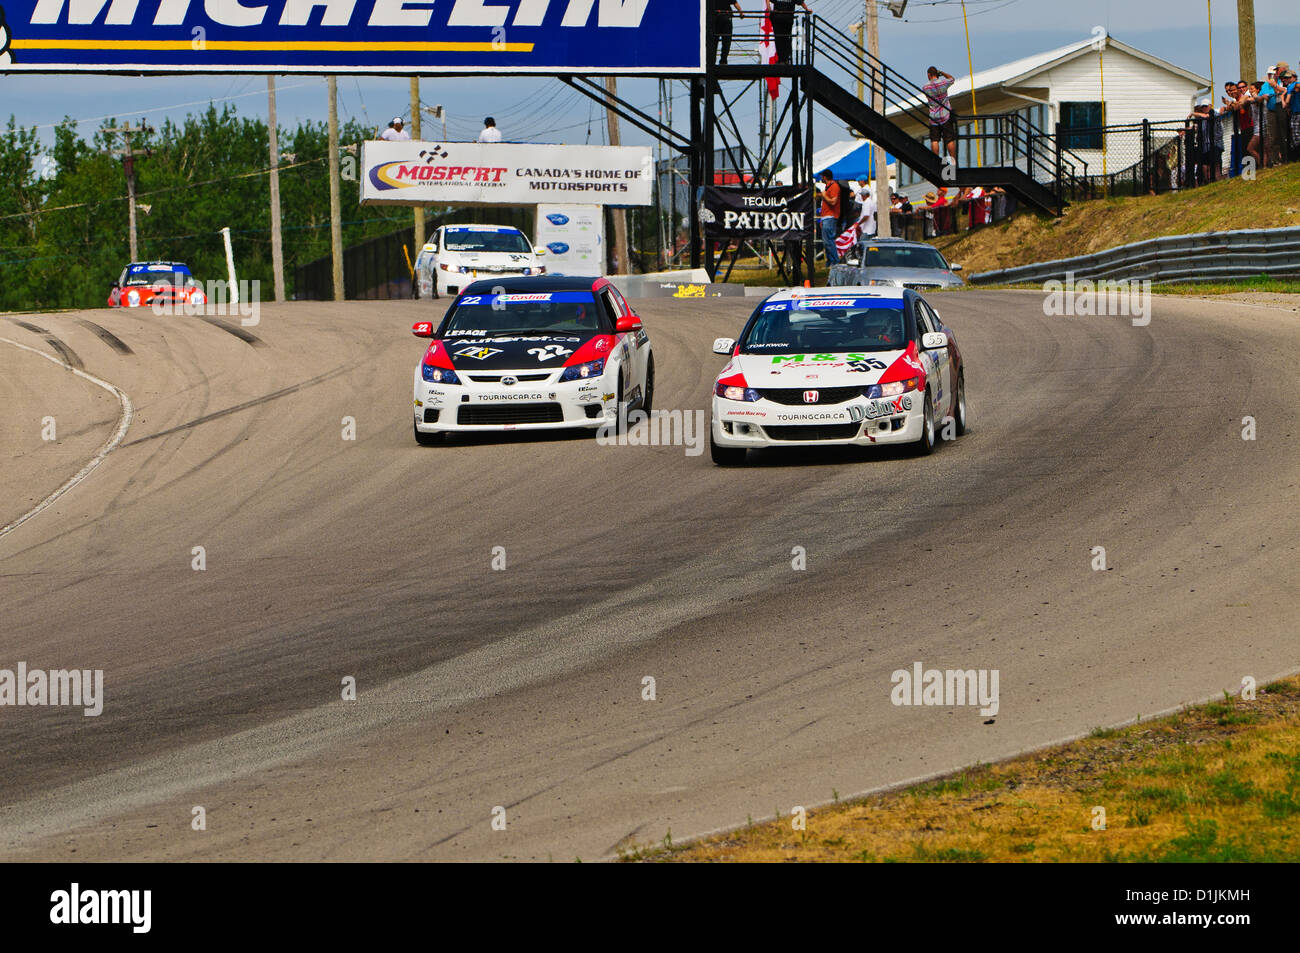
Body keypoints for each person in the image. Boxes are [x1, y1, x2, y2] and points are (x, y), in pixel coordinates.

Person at [923, 66, 958, 162]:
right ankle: (953, 161)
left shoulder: (925, 87)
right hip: (945, 115)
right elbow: (952, 79)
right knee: (949, 139)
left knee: (934, 140)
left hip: (933, 117)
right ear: (937, 74)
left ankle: (936, 161)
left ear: (929, 75)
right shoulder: (943, 83)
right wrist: (942, 73)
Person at [769, 0, 812, 66]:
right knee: (783, 39)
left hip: (780, 18)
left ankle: (783, 60)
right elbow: (801, 2)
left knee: (781, 39)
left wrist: (770, 11)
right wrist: (807, 9)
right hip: (784, 18)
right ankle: (784, 60)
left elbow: (800, 2)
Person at [817, 169, 841, 265]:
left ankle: (835, 261)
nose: (821, 178)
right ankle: (830, 261)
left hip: (831, 216)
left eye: (822, 176)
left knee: (828, 241)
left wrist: (824, 196)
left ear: (825, 177)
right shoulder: (827, 187)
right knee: (826, 241)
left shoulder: (834, 187)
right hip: (825, 217)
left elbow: (833, 201)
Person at [713, 0, 745, 66]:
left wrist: (741, 12)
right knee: (725, 41)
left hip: (717, 16)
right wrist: (741, 12)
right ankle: (722, 61)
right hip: (724, 16)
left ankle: (714, 61)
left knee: (715, 41)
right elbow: (735, 3)